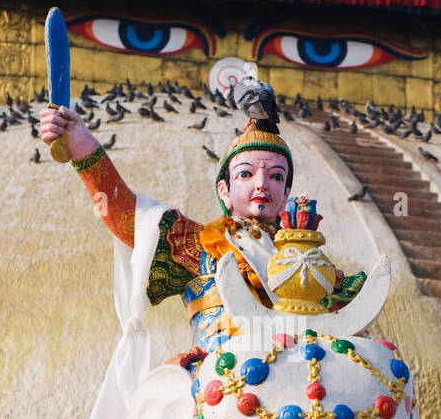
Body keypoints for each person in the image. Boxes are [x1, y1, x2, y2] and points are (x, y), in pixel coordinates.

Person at [39, 79, 364, 353]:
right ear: (224, 191)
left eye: (277, 177)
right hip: (219, 378)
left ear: (286, 197)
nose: (262, 184)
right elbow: (125, 215)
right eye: (246, 174)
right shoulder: (198, 244)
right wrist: (83, 148)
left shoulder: (305, 263)